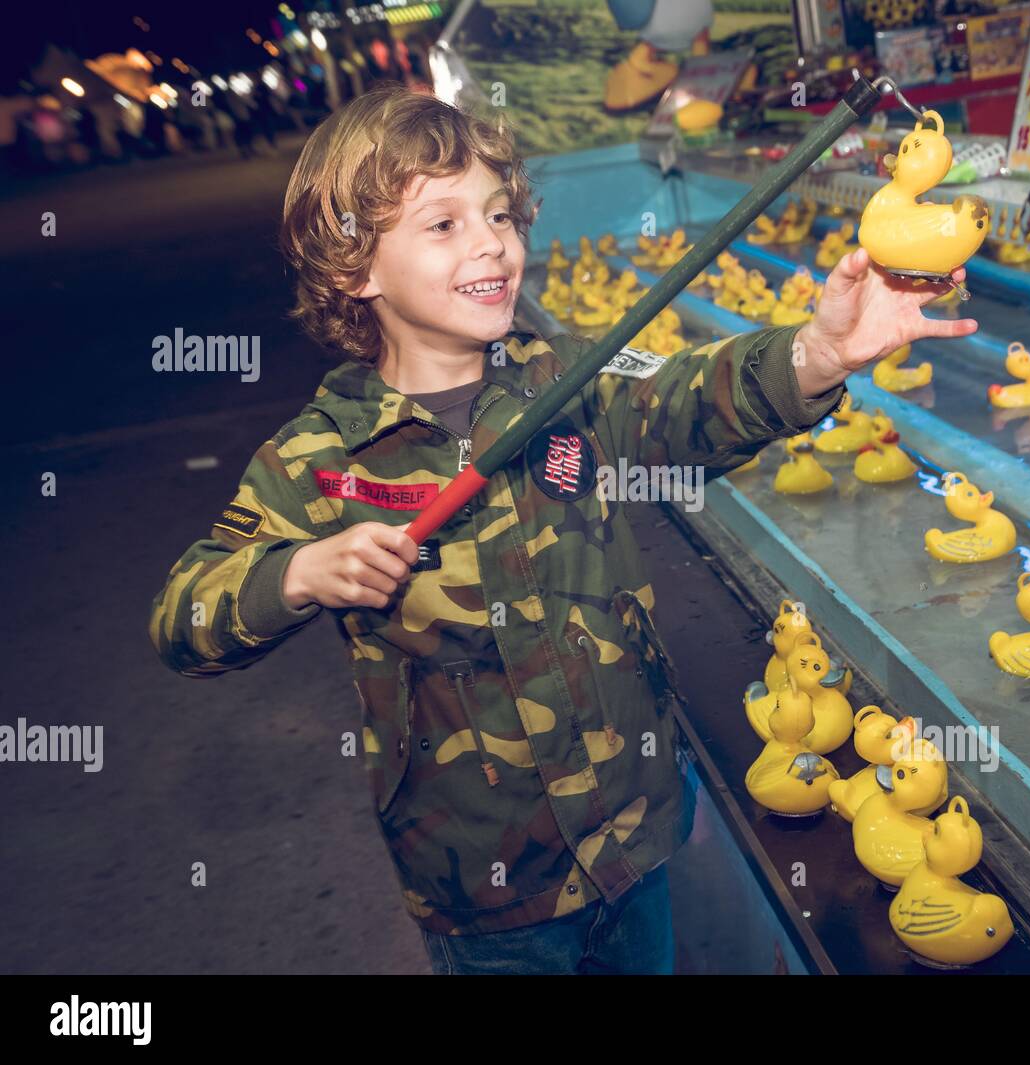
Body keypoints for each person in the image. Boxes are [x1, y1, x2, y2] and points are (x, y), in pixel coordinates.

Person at [147, 83, 976, 974]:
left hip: (636, 829)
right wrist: (301, 571)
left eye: (500, 214)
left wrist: (817, 355)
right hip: (488, 888)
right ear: (356, 268)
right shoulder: (319, 455)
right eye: (443, 225)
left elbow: (680, 408)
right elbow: (183, 620)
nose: (492, 242)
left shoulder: (558, 380)